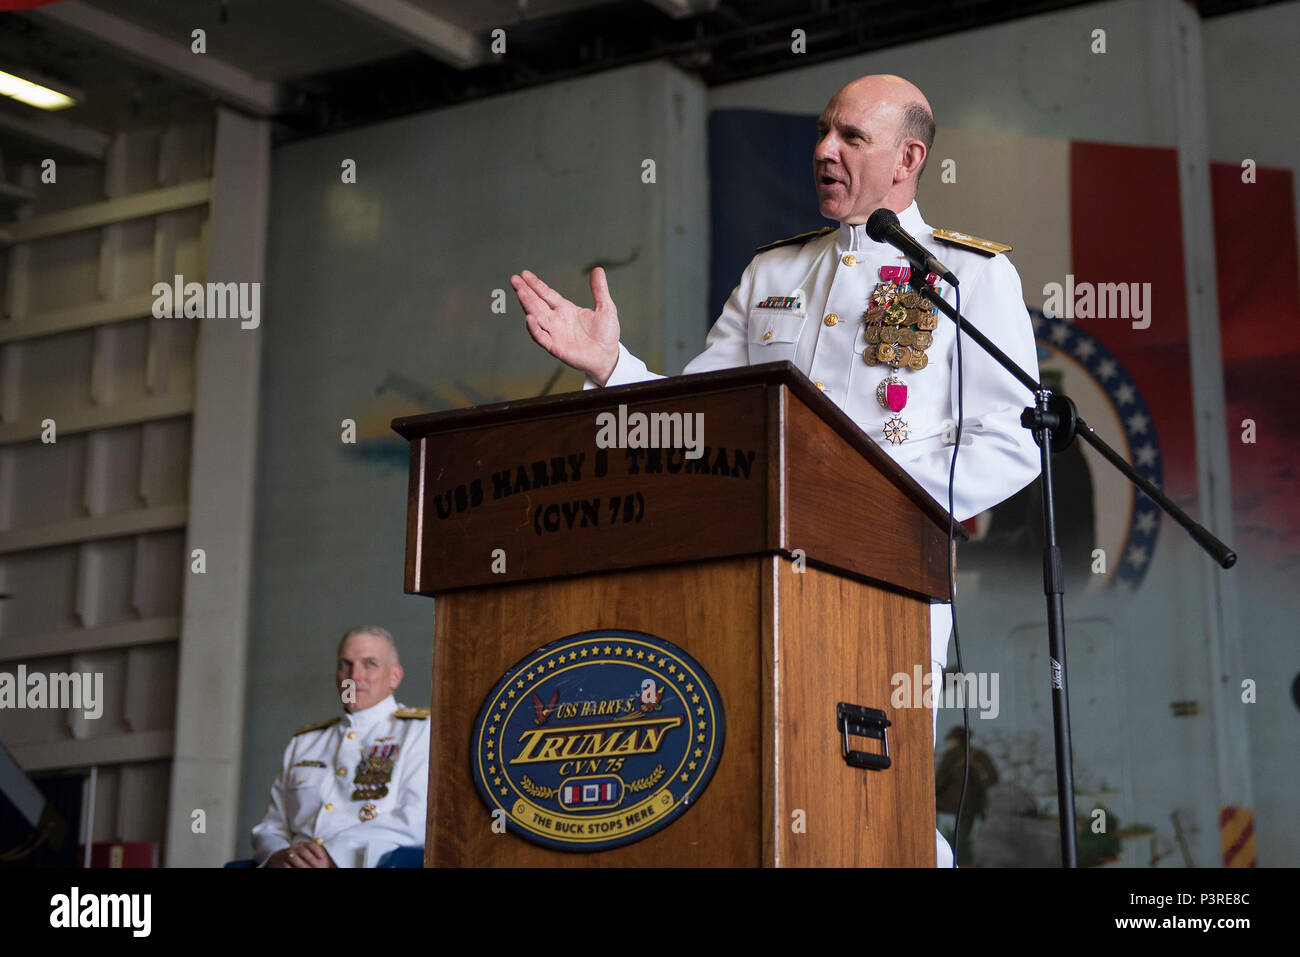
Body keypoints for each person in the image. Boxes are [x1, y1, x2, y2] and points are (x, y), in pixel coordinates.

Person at [510, 74, 1040, 866]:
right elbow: (704, 417)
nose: (824, 150)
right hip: (764, 578)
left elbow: (1015, 436)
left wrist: (867, 495)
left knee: (871, 790)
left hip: (887, 578)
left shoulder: (969, 275)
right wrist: (612, 367)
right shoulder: (774, 275)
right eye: (824, 132)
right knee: (770, 779)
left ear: (909, 157)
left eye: (851, 138)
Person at [251, 626, 429, 867]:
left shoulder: (420, 731)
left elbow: (417, 819)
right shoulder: (305, 742)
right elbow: (272, 826)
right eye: (345, 665)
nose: (354, 676)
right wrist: (279, 855)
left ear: (394, 677)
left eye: (370, 664)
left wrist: (333, 856)